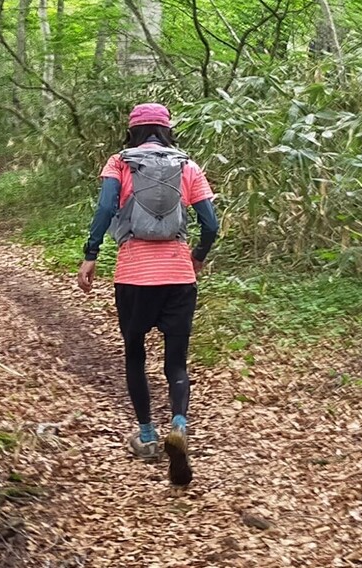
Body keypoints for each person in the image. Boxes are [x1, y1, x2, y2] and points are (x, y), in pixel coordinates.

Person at [78, 103, 219, 485]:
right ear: (166, 130)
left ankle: (145, 435)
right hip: (178, 273)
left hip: (134, 275)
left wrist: (91, 255)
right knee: (176, 361)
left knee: (135, 354)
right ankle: (179, 423)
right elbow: (210, 223)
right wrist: (198, 257)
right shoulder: (187, 166)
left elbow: (106, 208)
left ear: (133, 132)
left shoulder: (120, 164)